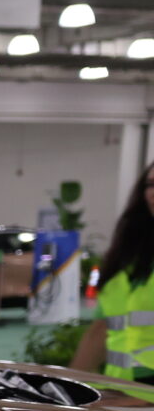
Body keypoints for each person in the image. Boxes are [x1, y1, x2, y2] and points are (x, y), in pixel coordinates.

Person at [72, 158, 154, 386]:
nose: (153, 192)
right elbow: (102, 328)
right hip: (120, 387)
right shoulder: (128, 257)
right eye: (150, 184)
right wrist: (71, 386)